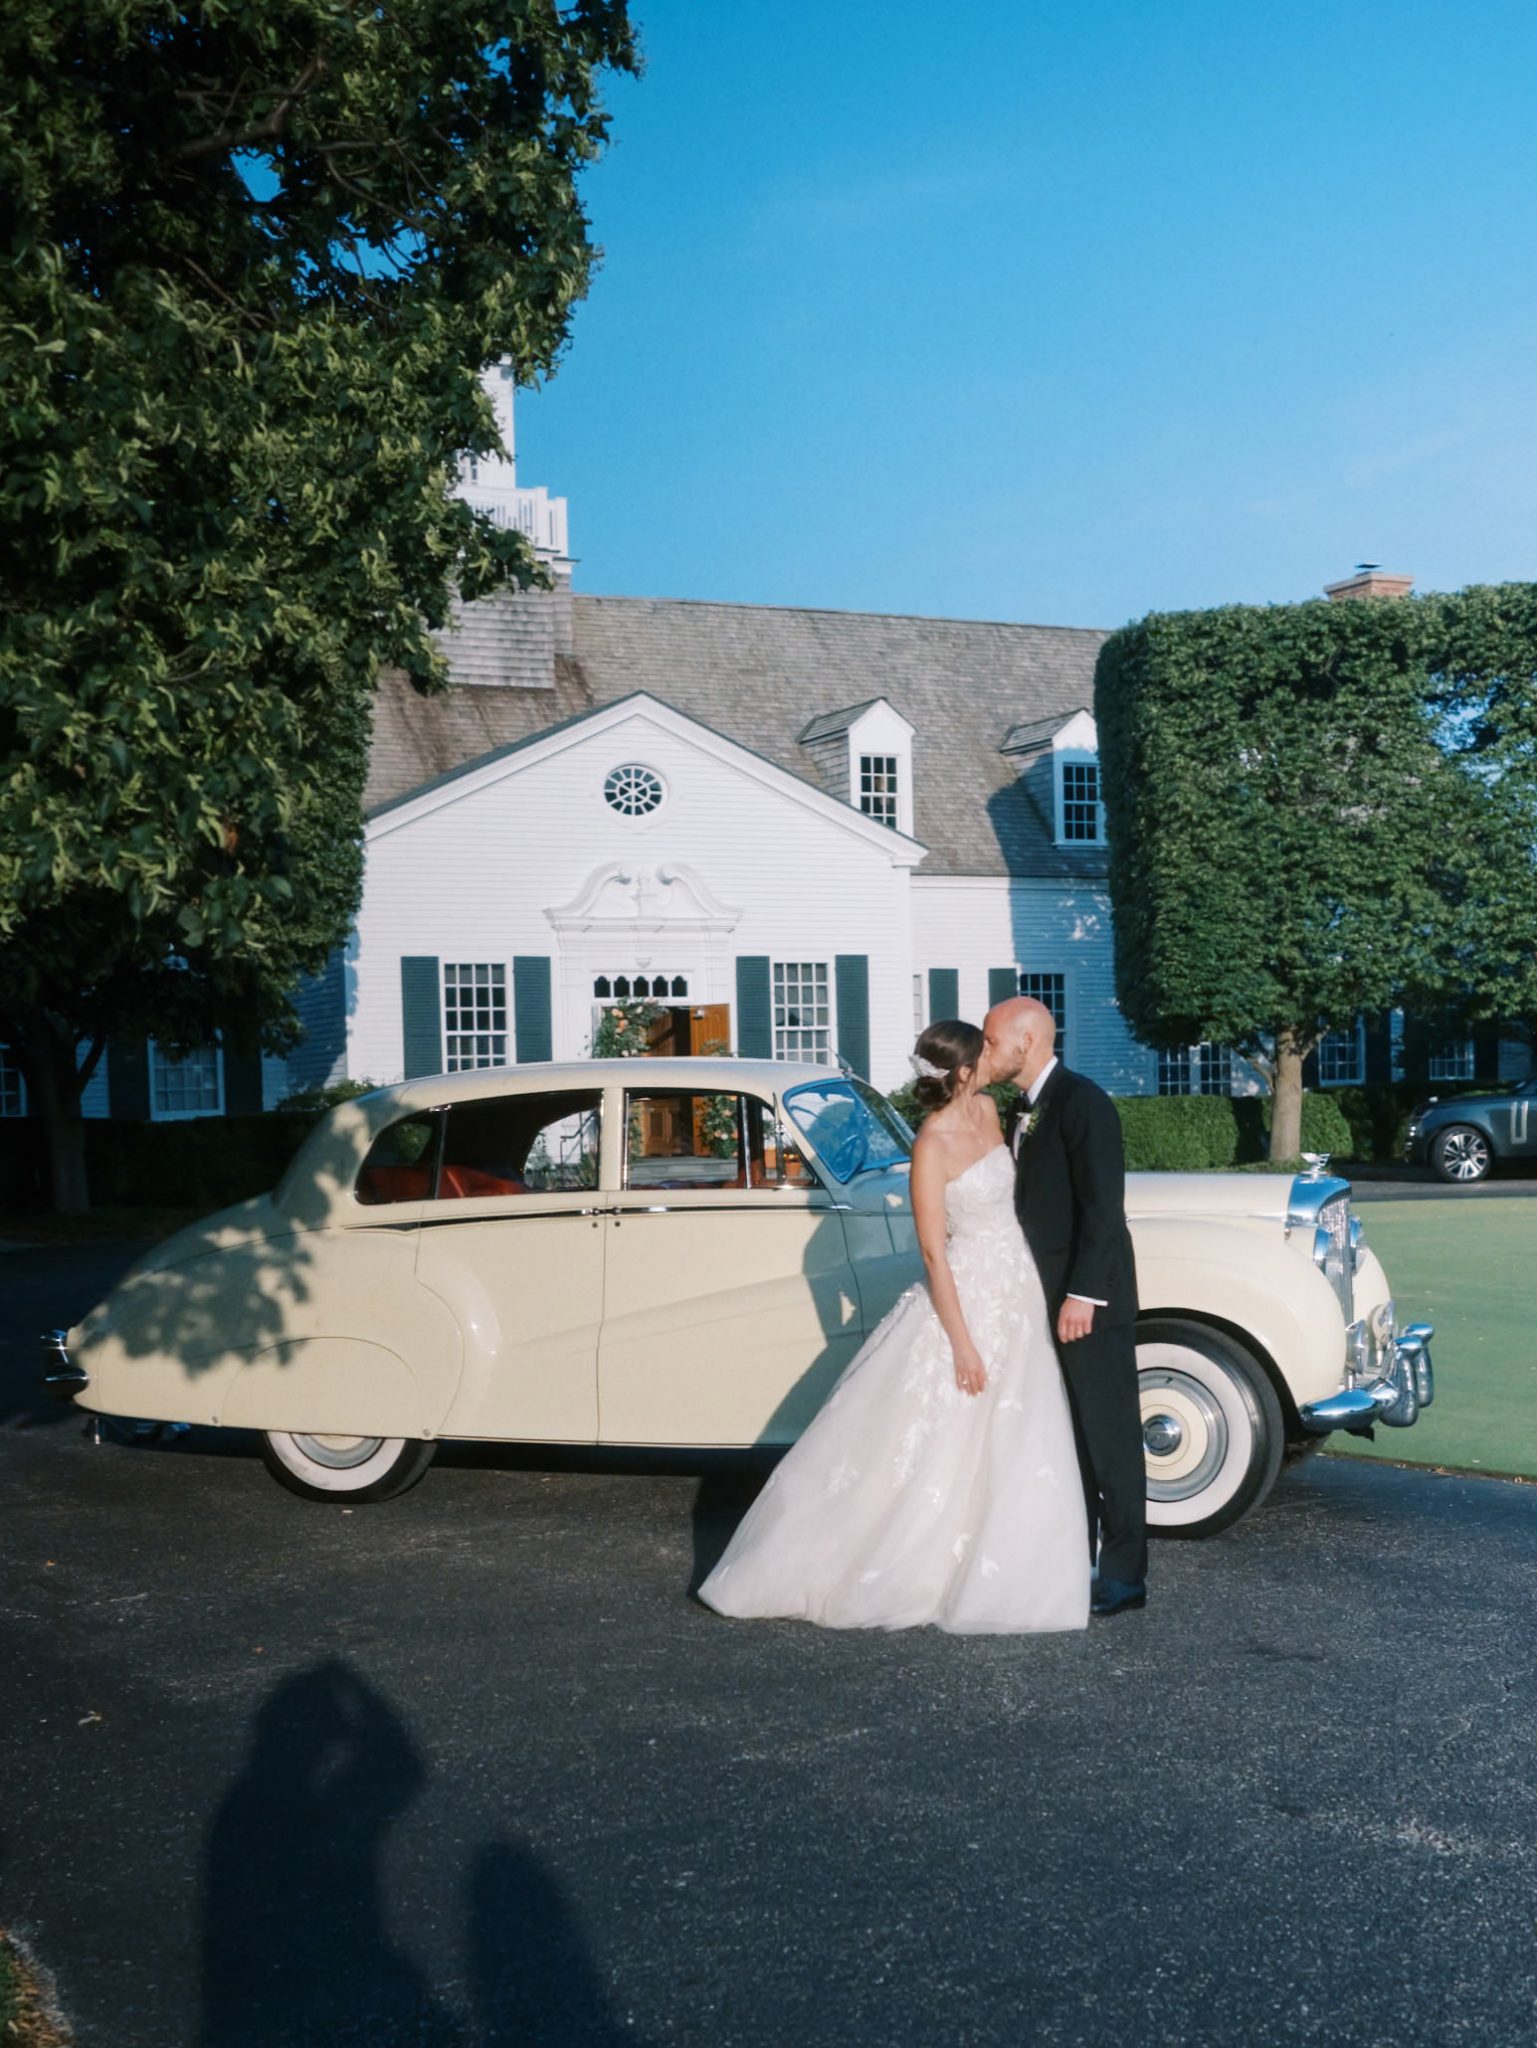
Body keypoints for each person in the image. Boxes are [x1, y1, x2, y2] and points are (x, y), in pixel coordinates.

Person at [698, 1019, 1088, 1634]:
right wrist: (962, 1343)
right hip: (968, 1293)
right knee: (941, 1432)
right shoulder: (931, 1144)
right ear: (963, 1071)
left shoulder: (992, 1110)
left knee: (1017, 1426)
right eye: (982, 1052)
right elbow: (934, 1253)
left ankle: (1018, 1561)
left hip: (1017, 1285)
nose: (992, 1058)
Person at [981, 997, 1148, 1618]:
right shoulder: (1021, 1109)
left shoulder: (1084, 1103)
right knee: (1068, 1437)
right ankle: (1075, 1562)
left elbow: (1104, 1209)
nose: (986, 1050)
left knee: (1110, 1440)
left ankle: (1125, 1577)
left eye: (992, 1040)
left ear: (1027, 1041)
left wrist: (1084, 1294)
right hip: (1040, 1298)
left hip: (1088, 1302)